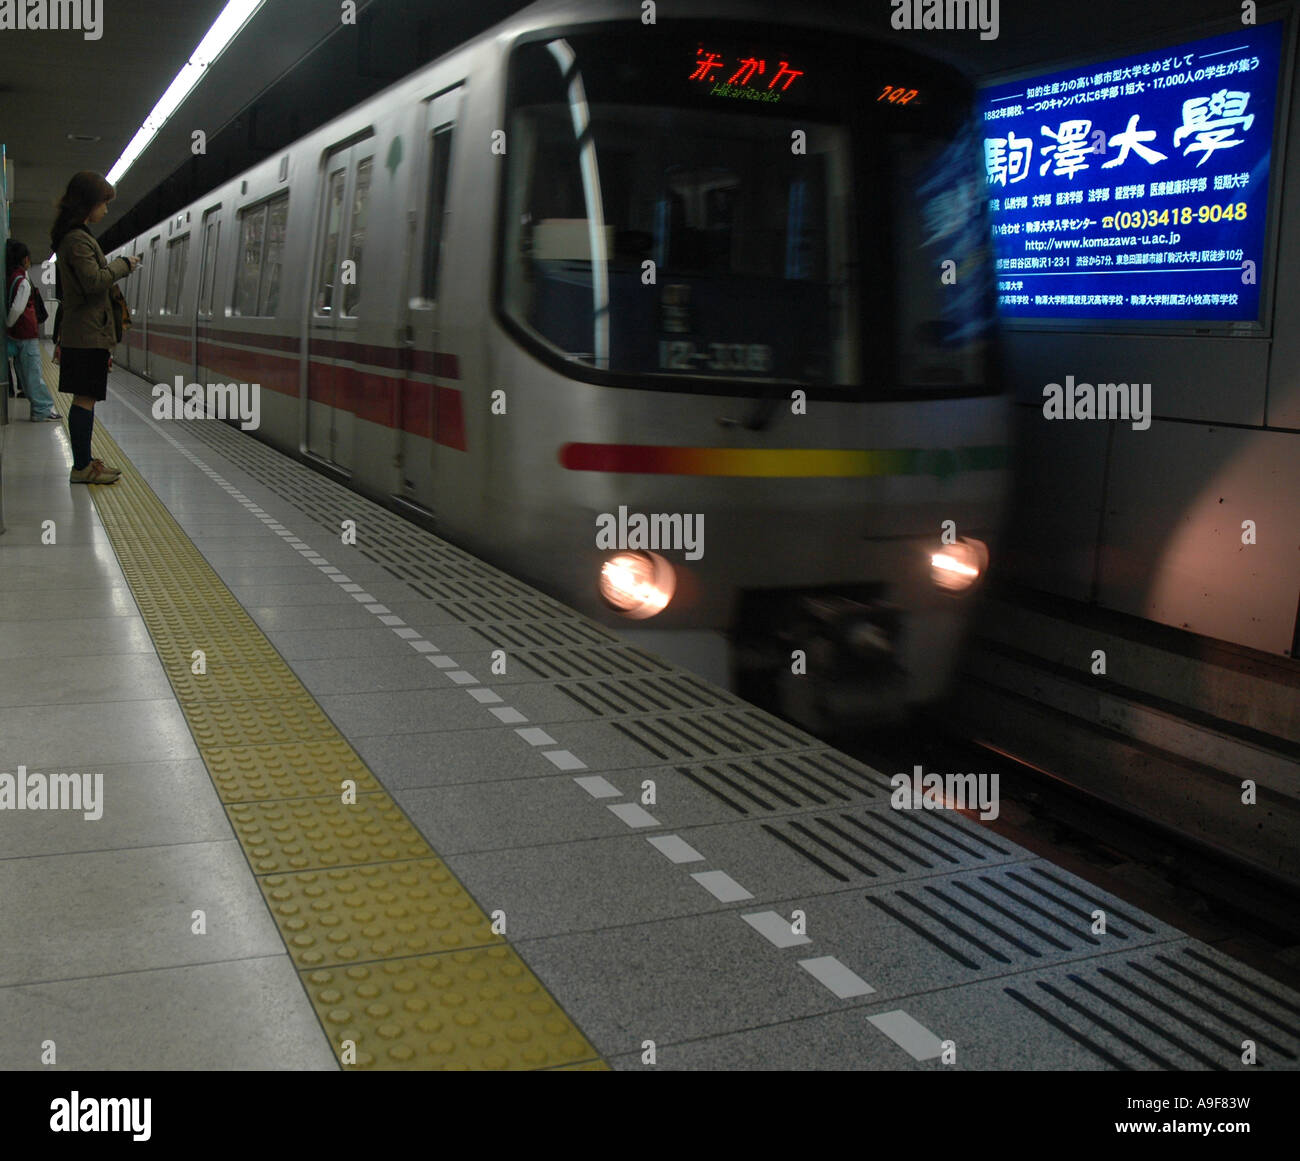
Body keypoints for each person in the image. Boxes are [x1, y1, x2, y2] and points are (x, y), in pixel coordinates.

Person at [50, 170, 140, 484]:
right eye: (103, 203)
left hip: (87, 332)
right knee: (85, 398)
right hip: (87, 333)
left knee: (85, 397)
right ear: (88, 203)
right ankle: (82, 467)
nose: (106, 209)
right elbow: (93, 282)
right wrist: (123, 265)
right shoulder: (76, 239)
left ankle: (85, 462)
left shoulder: (76, 236)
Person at [5, 239, 60, 420]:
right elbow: (17, 308)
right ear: (25, 260)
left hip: (17, 335)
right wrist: (9, 324)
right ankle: (42, 410)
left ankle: (38, 407)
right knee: (34, 375)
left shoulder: (11, 277)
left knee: (24, 374)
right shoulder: (23, 281)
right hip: (26, 335)